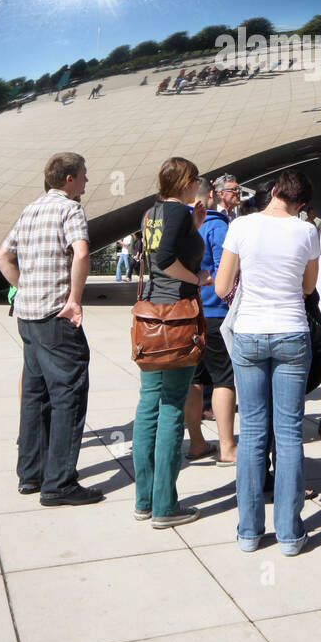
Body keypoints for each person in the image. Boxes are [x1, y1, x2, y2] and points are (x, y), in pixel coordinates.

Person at [214, 167, 320, 556]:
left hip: (250, 331)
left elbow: (223, 286)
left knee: (253, 431)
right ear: (302, 204)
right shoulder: (307, 232)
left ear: (274, 190)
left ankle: (249, 531)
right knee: (289, 432)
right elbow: (309, 287)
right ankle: (290, 533)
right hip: (292, 330)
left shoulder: (241, 226)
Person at [0, 152, 103, 507]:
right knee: (68, 396)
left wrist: (23, 289)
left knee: (35, 394)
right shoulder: (70, 209)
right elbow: (82, 253)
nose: (87, 182)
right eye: (84, 176)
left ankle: (31, 474)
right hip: (56, 318)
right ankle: (59, 483)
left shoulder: (31, 209)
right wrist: (74, 299)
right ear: (69, 179)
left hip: (28, 318)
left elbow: (2, 257)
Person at [132, 157, 212, 528]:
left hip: (150, 318)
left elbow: (156, 253)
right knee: (172, 408)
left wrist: (193, 226)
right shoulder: (177, 212)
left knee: (149, 403)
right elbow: (166, 259)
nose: (198, 185)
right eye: (196, 179)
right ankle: (165, 505)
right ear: (185, 182)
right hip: (176, 316)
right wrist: (196, 279)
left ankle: (144, 499)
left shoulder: (151, 213)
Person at [185, 174, 239, 465]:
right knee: (223, 379)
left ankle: (196, 442)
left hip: (190, 312)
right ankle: (227, 446)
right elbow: (224, 273)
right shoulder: (217, 226)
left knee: (194, 380)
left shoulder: (183, 225)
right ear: (210, 197)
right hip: (215, 312)